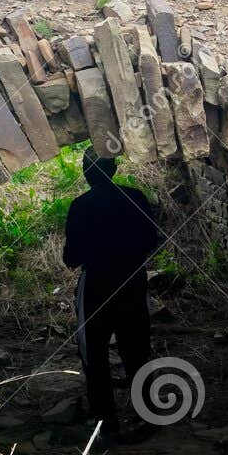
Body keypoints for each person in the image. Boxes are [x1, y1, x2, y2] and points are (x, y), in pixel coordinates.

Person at [62, 148, 161, 438]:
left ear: (86, 172)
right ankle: (149, 418)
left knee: (94, 352)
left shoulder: (81, 206)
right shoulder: (136, 197)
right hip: (132, 280)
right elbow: (151, 239)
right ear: (114, 169)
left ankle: (105, 421)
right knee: (137, 349)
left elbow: (71, 258)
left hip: (97, 284)